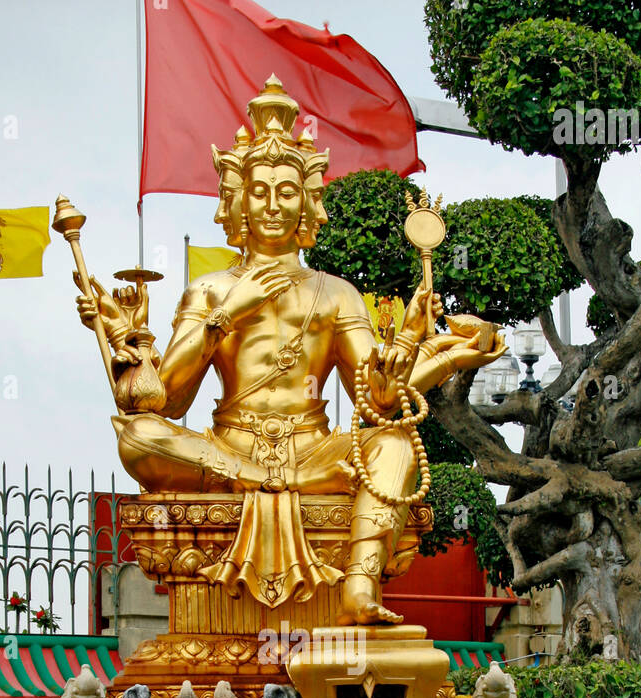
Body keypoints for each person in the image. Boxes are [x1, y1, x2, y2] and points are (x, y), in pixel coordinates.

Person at [76, 76, 504, 625]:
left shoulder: (336, 292)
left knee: (393, 441)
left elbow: (375, 400)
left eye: (286, 191)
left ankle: (357, 585)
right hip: (228, 451)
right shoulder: (209, 291)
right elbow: (165, 404)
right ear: (237, 200)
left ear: (306, 200)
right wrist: (226, 315)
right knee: (138, 437)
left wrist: (433, 352)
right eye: (259, 191)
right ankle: (261, 481)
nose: (273, 205)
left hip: (311, 452)